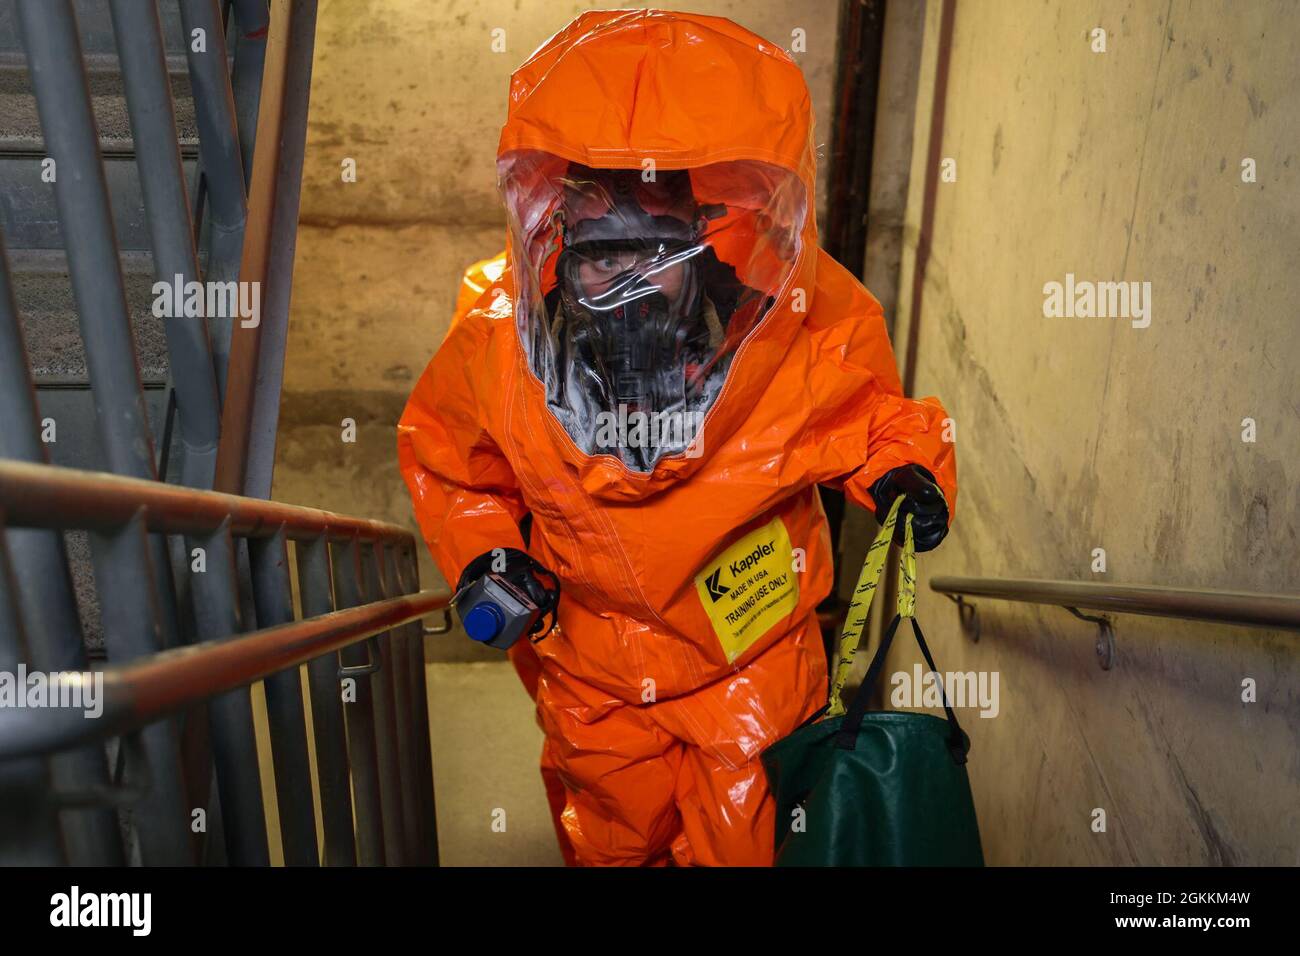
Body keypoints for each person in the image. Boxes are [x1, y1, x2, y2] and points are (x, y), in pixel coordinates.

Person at [398, 8, 956, 866]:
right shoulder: (499, 350)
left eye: (653, 254)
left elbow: (872, 416)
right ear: (559, 250)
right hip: (597, 676)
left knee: (752, 845)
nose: (627, 282)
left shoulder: (782, 335)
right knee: (616, 847)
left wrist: (908, 473)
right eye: (602, 259)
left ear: (694, 248)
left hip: (752, 666)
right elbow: (454, 466)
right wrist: (485, 555)